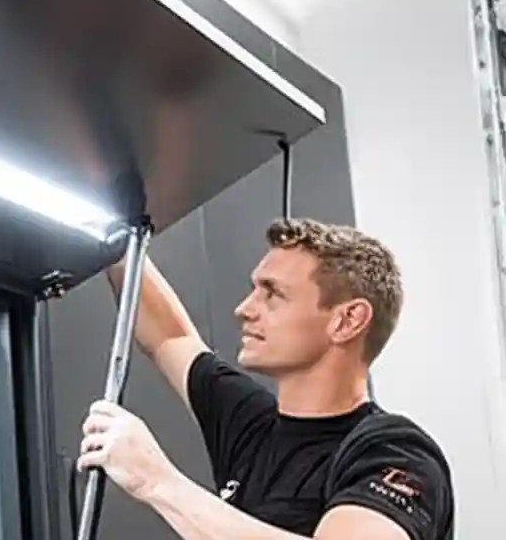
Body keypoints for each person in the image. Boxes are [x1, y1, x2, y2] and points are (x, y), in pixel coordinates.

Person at [77, 218, 454, 539]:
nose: (244, 309)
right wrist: (115, 240)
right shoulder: (250, 426)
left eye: (272, 294)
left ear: (347, 320)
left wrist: (158, 483)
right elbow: (171, 337)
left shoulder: (394, 453)